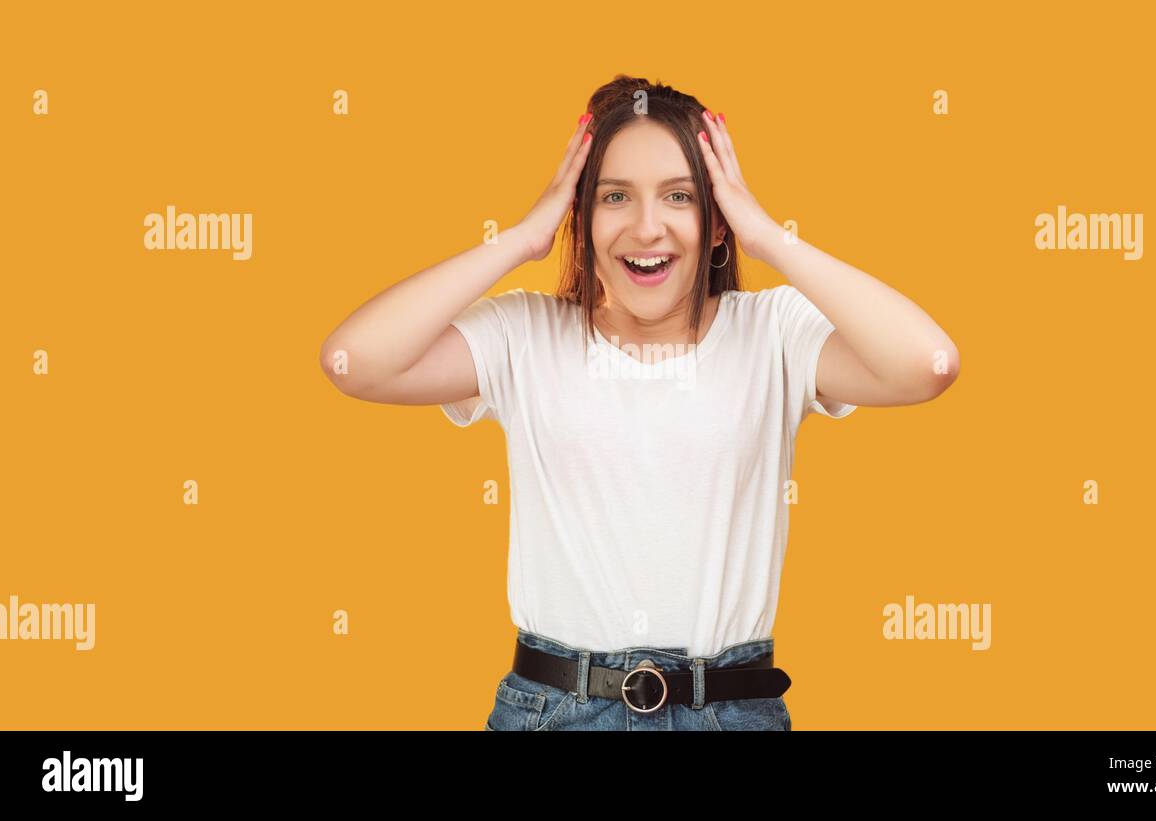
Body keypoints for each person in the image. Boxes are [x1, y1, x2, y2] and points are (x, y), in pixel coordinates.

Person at [319, 75, 960, 730]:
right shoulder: (525, 334)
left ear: (717, 224)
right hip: (555, 709)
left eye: (680, 196)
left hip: (731, 711)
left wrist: (771, 239)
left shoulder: (773, 333)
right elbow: (356, 362)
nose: (647, 226)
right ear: (582, 220)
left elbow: (926, 365)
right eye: (614, 196)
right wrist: (520, 239)